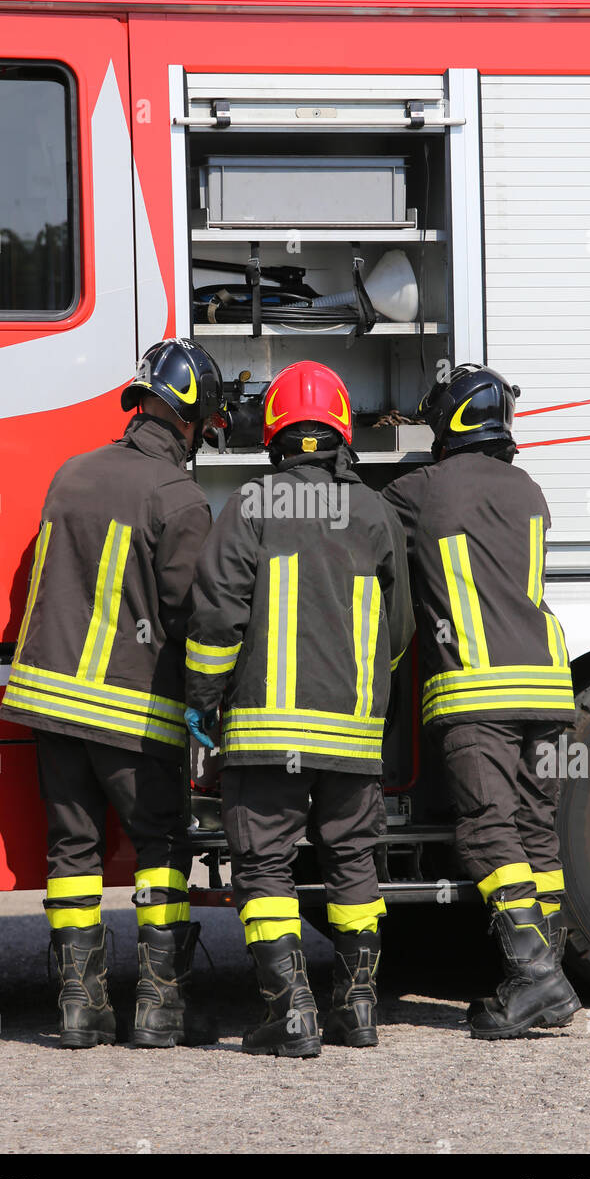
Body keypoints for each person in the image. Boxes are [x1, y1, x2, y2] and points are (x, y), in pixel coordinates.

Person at [0, 338, 223, 1048]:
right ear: (188, 418)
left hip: (47, 704)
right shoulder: (179, 498)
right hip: (131, 713)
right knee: (161, 845)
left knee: (73, 852)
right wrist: (211, 702)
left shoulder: (72, 473)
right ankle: (159, 1006)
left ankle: (79, 1006)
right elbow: (191, 616)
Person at [184, 360, 414, 1057]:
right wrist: (366, 700)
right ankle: (358, 1011)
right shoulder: (375, 511)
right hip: (353, 737)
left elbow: (216, 616)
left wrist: (202, 703)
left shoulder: (250, 506)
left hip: (264, 736)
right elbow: (399, 631)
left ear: (273, 434)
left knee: (265, 866)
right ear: (342, 432)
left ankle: (289, 1014)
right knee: (353, 862)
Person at [383, 363, 581, 1040]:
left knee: (486, 829)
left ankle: (535, 977)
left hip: (478, 689)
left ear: (450, 422)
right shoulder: (530, 489)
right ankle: (541, 978)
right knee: (535, 829)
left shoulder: (422, 489)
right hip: (548, 685)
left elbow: (366, 522)